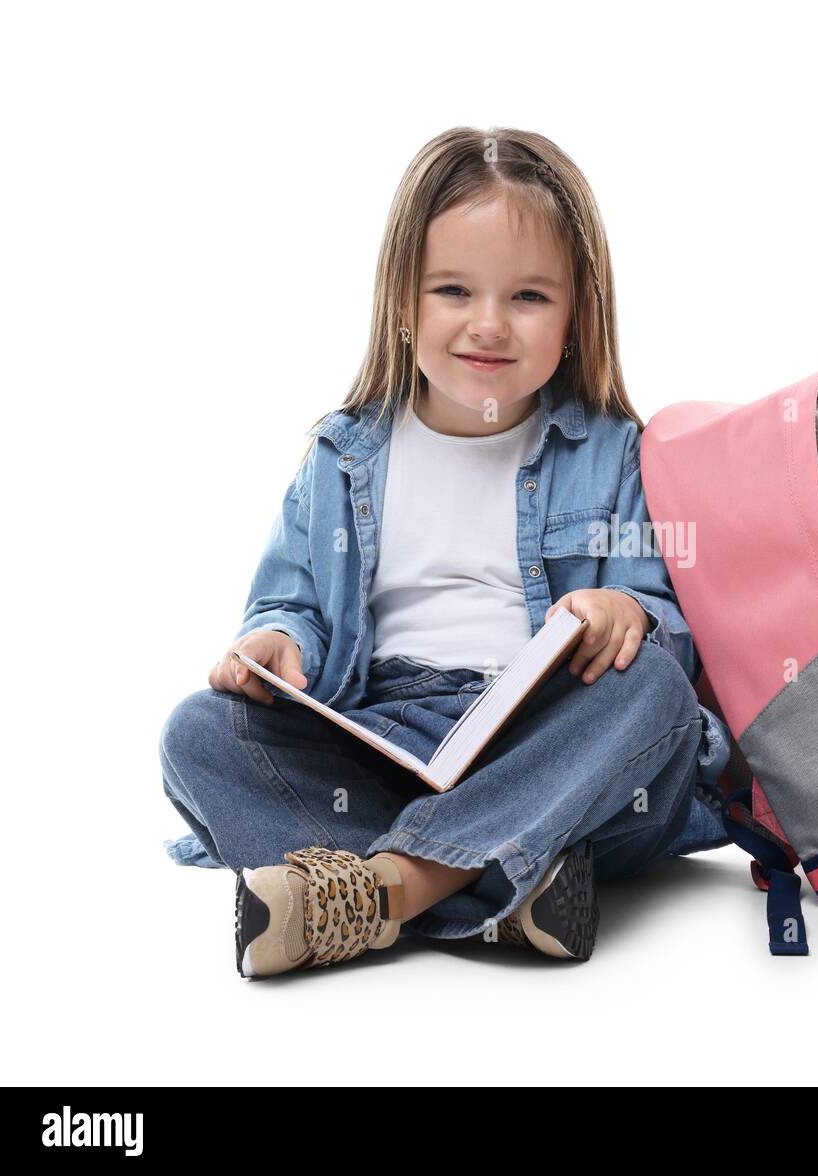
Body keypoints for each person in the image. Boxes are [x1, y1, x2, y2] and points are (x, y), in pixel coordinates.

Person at [158, 126, 732, 980]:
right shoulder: (344, 455)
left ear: (579, 316)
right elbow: (291, 609)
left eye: (530, 297)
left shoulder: (612, 452)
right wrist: (277, 643)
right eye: (454, 290)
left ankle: (383, 891)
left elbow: (669, 632)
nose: (489, 325)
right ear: (403, 300)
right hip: (385, 739)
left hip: (545, 734)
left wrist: (626, 614)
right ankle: (497, 891)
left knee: (650, 692)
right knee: (198, 735)